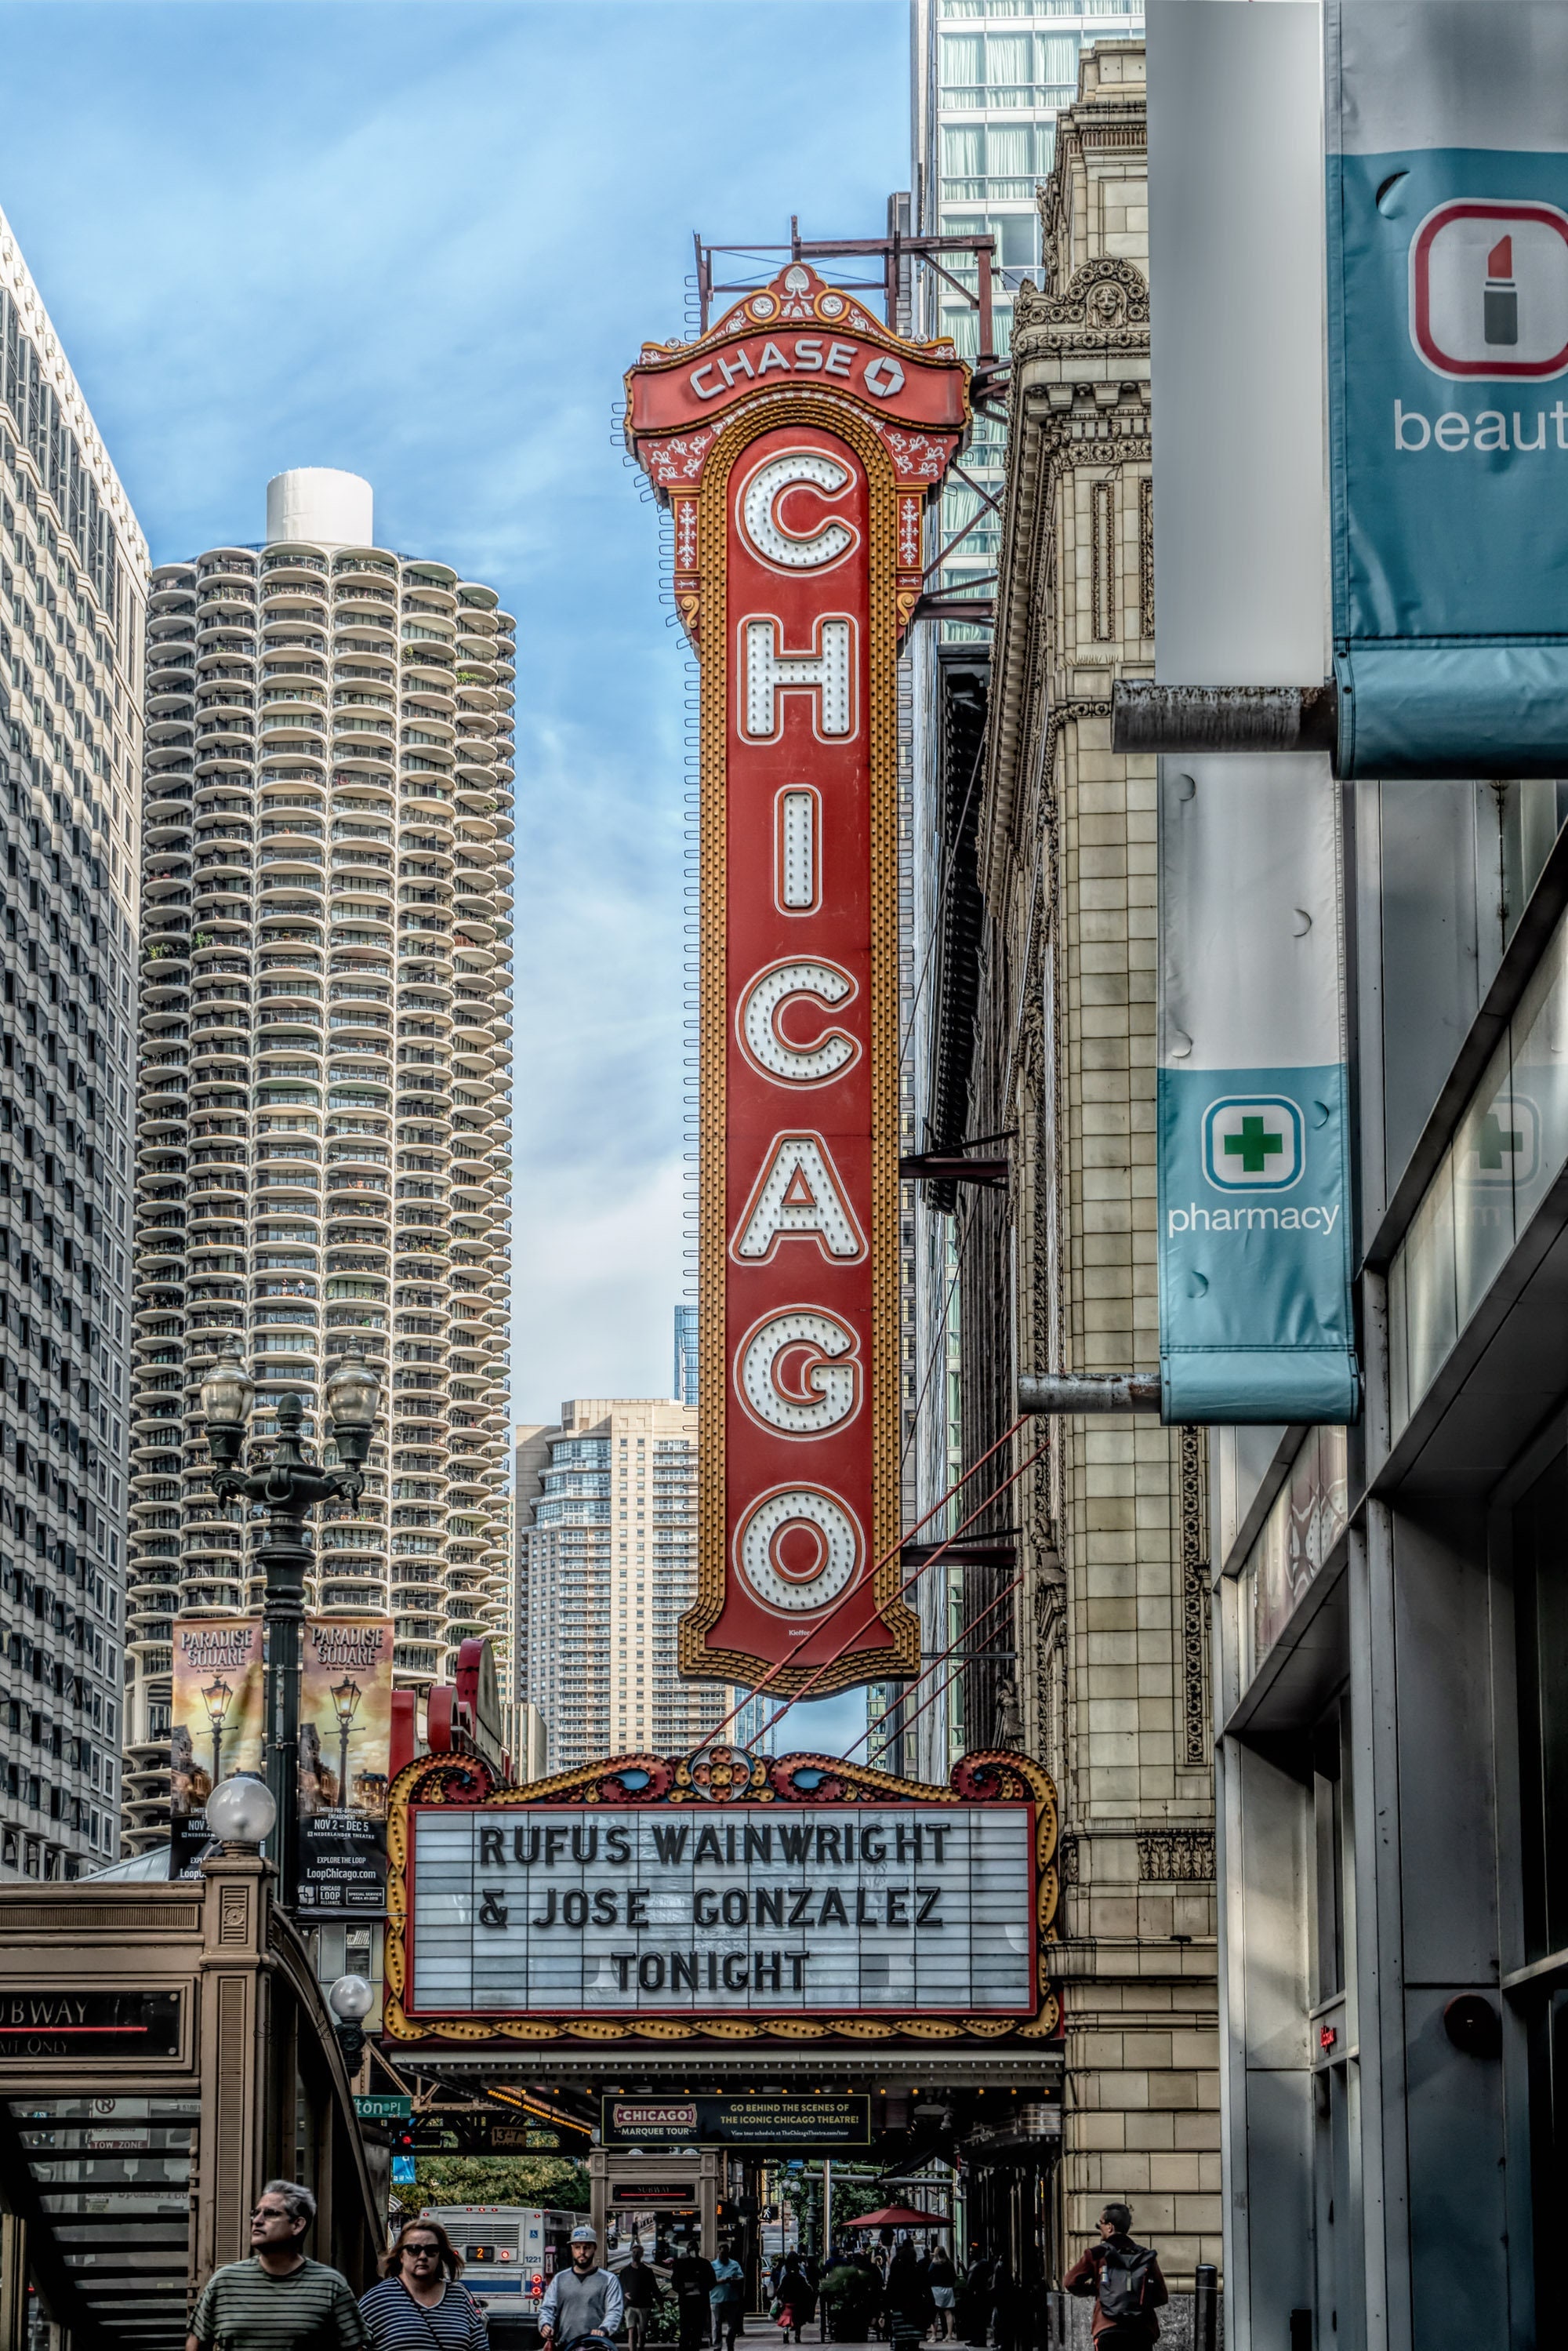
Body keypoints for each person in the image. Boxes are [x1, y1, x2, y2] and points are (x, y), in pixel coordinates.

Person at [187, 2179, 367, 2351]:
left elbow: (355, 2347)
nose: (257, 2220)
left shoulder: (330, 2285)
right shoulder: (225, 2281)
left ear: (297, 2225)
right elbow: (196, 2344)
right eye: (255, 2213)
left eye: (271, 2214)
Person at [360, 2221, 488, 2351]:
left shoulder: (459, 2298)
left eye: (431, 2250)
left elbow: (480, 2346)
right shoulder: (378, 2299)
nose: (423, 2256)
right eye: (413, 2250)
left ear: (440, 2255)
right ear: (401, 2255)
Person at [1064, 2206, 1169, 2348]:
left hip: (1108, 2328)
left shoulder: (1097, 2254)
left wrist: (1098, 2290)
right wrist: (1136, 2299)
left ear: (1110, 2227)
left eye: (1100, 2224)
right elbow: (1162, 2296)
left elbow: (1070, 2282)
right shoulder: (1145, 2256)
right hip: (1141, 2329)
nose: (1099, 2228)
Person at [539, 2226, 625, 2351]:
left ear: (594, 2248)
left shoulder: (609, 2280)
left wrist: (604, 2329)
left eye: (587, 2247)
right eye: (577, 2247)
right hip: (566, 2345)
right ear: (572, 2249)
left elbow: (614, 2311)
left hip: (596, 2346)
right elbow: (548, 2308)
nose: (582, 2252)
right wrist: (545, 2325)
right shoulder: (560, 2279)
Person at [883, 2244, 935, 2351]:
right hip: (916, 2311)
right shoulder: (919, 2272)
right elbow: (928, 2293)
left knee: (900, 2344)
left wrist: (886, 2313)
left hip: (899, 2312)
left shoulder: (896, 2274)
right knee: (914, 2344)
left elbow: (889, 2294)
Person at [670, 2240, 717, 2351]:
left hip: (696, 2301)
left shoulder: (703, 2264)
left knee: (696, 2329)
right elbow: (675, 2282)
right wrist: (684, 2289)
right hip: (689, 2301)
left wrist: (701, 2287)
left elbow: (711, 2281)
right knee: (688, 2329)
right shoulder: (684, 2264)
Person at [621, 2242, 666, 2351]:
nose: (635, 2254)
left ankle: (641, 2349)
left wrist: (660, 2303)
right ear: (631, 2254)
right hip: (630, 2305)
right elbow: (620, 2287)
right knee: (631, 2331)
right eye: (634, 2252)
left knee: (642, 2332)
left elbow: (654, 2288)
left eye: (638, 2252)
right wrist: (624, 2294)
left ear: (642, 2254)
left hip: (644, 2305)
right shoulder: (625, 2271)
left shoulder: (647, 2271)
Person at [710, 2242, 746, 2351]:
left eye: (726, 2253)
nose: (724, 2255)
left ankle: (730, 2344)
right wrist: (720, 2281)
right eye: (722, 2253)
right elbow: (708, 2281)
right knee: (716, 2324)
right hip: (716, 2298)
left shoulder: (734, 2264)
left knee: (732, 2324)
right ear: (718, 2252)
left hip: (731, 2298)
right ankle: (717, 2346)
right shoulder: (713, 2265)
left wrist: (733, 2280)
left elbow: (741, 2277)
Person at [774, 2253, 814, 2347]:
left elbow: (780, 2291)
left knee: (785, 2321)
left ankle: (785, 2334)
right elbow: (807, 2290)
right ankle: (797, 2336)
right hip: (799, 2303)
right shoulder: (800, 2278)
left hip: (787, 2302)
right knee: (798, 2321)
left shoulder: (785, 2278)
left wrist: (780, 2299)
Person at [927, 2251, 957, 2342]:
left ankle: (934, 2336)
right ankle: (949, 2335)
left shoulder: (934, 2264)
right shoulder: (949, 2263)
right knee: (948, 2312)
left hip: (936, 2289)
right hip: (948, 2289)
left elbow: (929, 2275)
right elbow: (954, 2276)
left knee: (935, 2314)